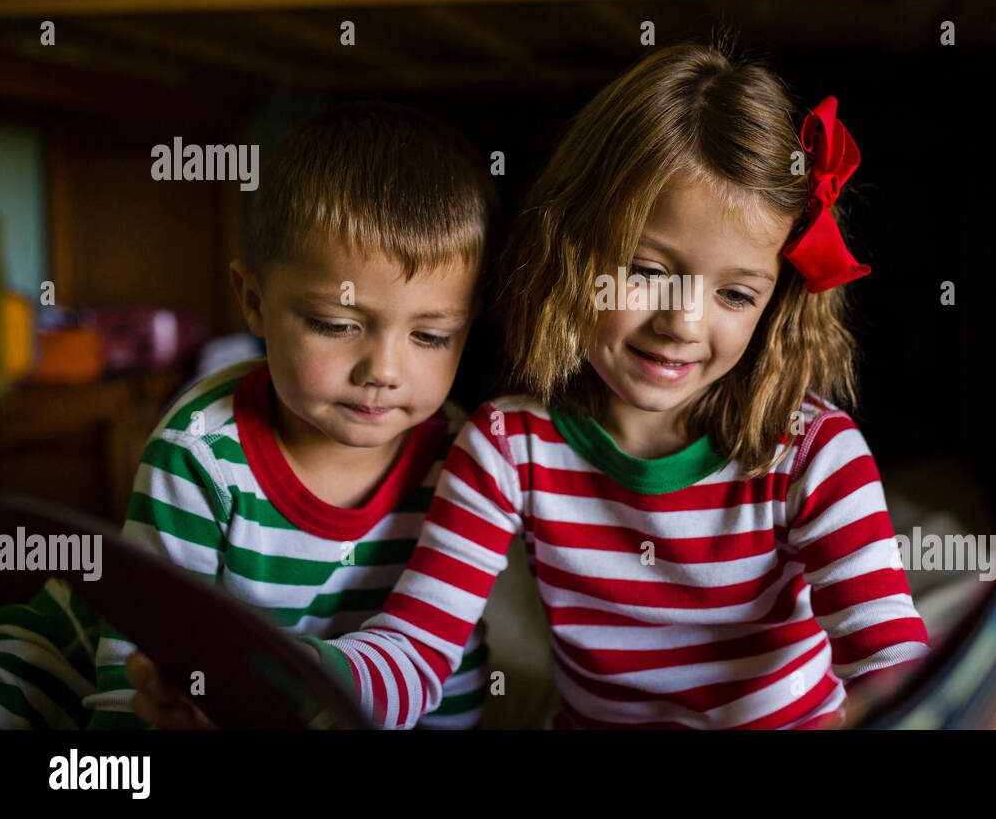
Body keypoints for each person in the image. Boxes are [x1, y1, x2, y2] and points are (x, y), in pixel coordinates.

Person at [304, 39, 931, 729]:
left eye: (735, 295)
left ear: (775, 302)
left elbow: (885, 659)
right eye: (648, 273)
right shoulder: (509, 446)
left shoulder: (814, 455)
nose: (682, 325)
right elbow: (415, 651)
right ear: (571, 248)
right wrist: (300, 676)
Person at [0, 100, 499, 730]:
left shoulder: (469, 462)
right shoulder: (200, 450)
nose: (384, 370)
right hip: (78, 649)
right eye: (335, 325)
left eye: (432, 336)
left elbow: (444, 674)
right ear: (254, 301)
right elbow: (134, 670)